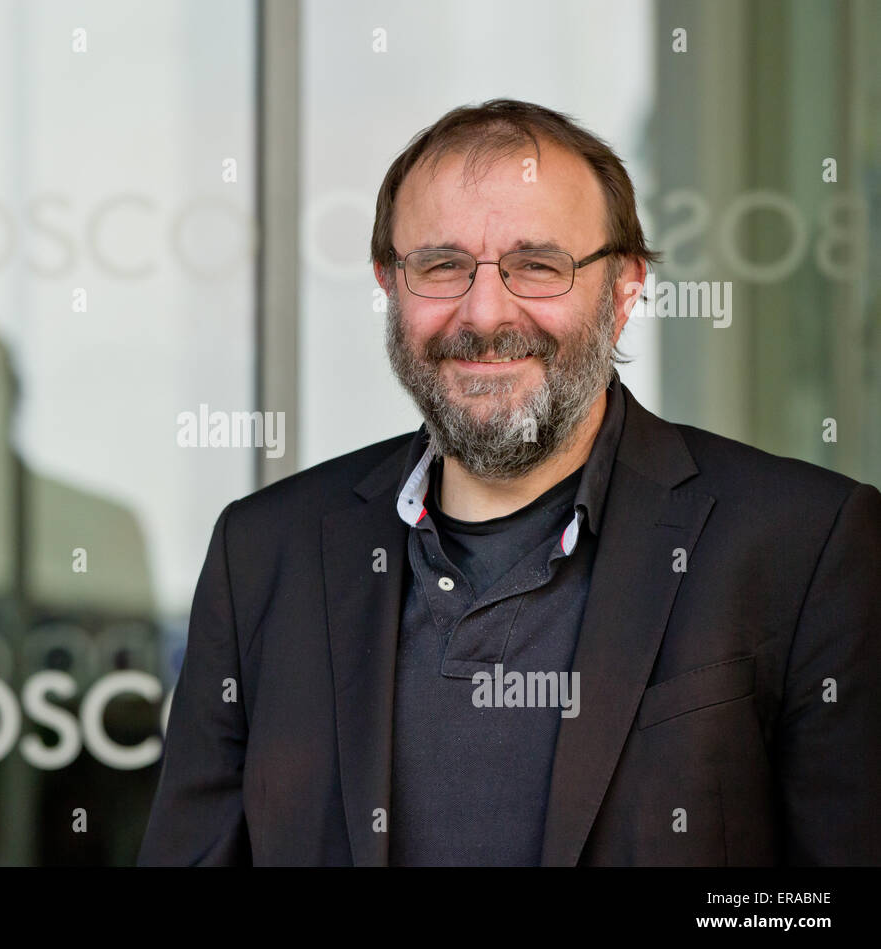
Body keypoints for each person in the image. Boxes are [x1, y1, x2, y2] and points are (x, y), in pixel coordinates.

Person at [137, 98, 881, 866]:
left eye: (537, 265)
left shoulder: (804, 546)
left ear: (624, 288)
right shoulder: (262, 553)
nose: (485, 312)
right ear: (390, 286)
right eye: (442, 266)